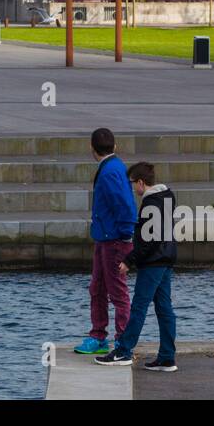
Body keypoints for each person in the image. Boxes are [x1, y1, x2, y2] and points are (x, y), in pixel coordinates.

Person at [95, 162, 177, 371]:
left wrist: (129, 260)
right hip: (166, 259)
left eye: (133, 184)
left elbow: (150, 240)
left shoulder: (150, 204)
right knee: (164, 309)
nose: (133, 188)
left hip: (153, 263)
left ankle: (123, 351)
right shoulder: (167, 197)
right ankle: (167, 357)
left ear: (141, 182)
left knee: (139, 308)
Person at [74, 127, 138, 356]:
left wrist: (125, 235)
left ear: (92, 148)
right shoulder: (114, 167)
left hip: (115, 240)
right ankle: (98, 336)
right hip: (105, 238)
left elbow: (125, 206)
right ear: (115, 146)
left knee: (118, 293)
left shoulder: (110, 171)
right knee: (97, 288)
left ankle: (123, 341)